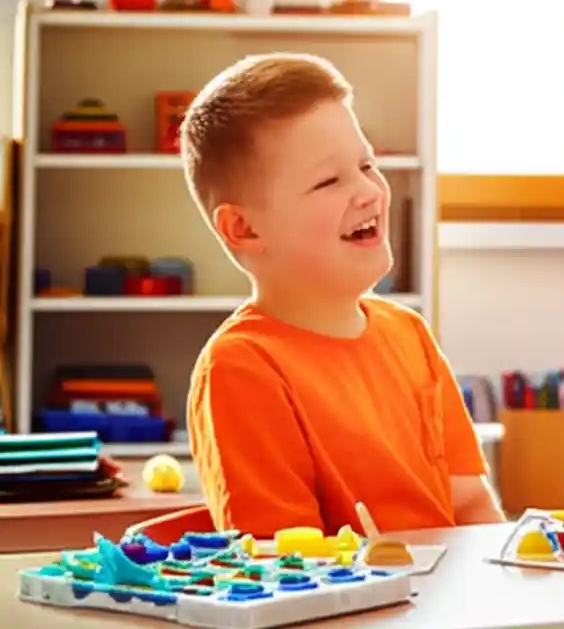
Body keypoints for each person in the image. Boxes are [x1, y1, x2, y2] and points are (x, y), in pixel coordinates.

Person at [181, 53, 504, 538]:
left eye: (367, 165)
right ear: (243, 228)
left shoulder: (408, 333)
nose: (370, 192)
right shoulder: (241, 368)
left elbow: (473, 508)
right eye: (329, 180)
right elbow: (284, 568)